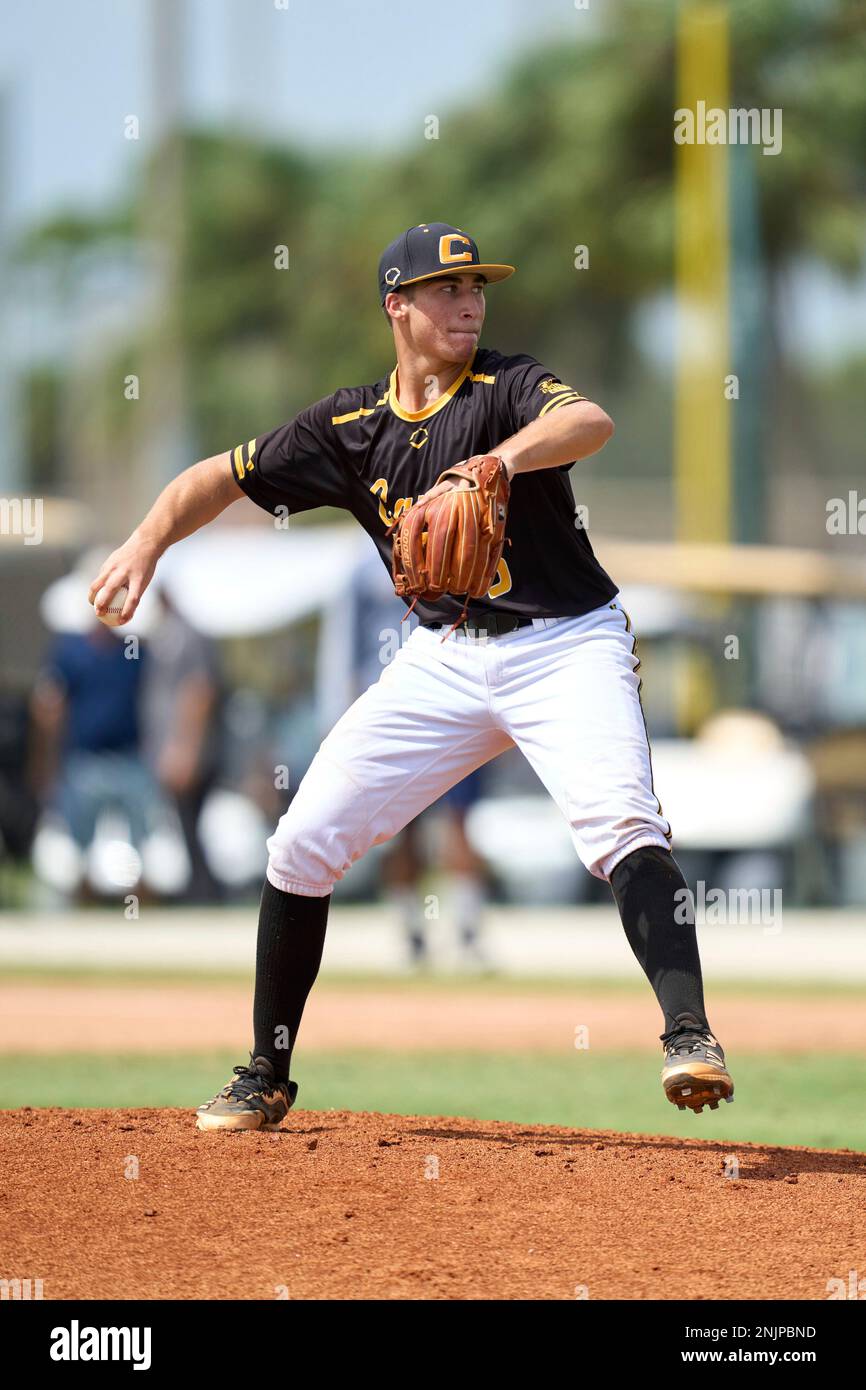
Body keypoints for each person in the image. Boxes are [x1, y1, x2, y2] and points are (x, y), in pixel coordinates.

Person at [89, 221, 734, 1131]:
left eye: (477, 287)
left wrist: (497, 462)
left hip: (566, 644)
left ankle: (690, 1037)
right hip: (441, 658)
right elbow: (220, 476)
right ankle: (264, 1075)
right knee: (301, 845)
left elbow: (589, 421)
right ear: (398, 304)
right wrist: (146, 542)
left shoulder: (508, 387)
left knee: (622, 823)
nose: (469, 301)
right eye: (447, 288)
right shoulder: (350, 427)